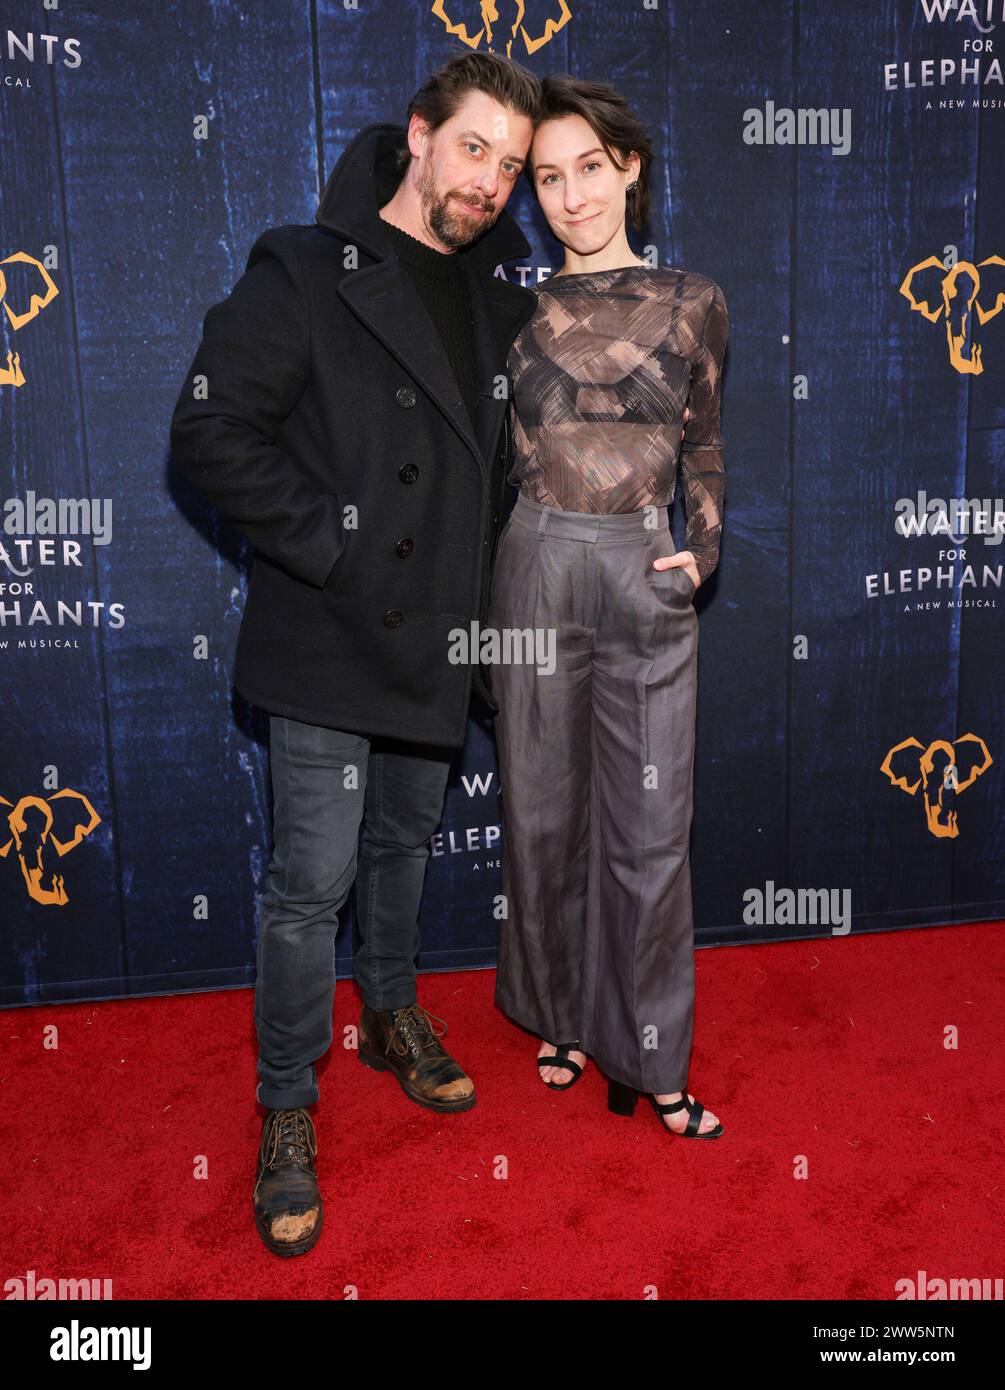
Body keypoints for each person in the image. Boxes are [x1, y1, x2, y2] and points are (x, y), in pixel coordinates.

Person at [169, 52, 542, 1256]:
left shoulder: (501, 301)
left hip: (436, 636)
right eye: (475, 148)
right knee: (306, 890)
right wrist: (333, 547)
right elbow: (210, 431)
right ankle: (287, 1105)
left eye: (514, 168)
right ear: (421, 135)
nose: (490, 183)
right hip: (329, 636)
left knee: (403, 847)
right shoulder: (305, 266)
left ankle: (389, 1015)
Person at [487, 74, 729, 1139]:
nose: (571, 195)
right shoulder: (512, 309)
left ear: (630, 166)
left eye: (591, 167)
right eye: (548, 176)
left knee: (651, 829)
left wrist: (705, 546)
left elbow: (708, 443)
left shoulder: (694, 300)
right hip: (535, 562)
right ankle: (556, 1015)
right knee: (540, 813)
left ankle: (653, 1054)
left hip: (643, 568)